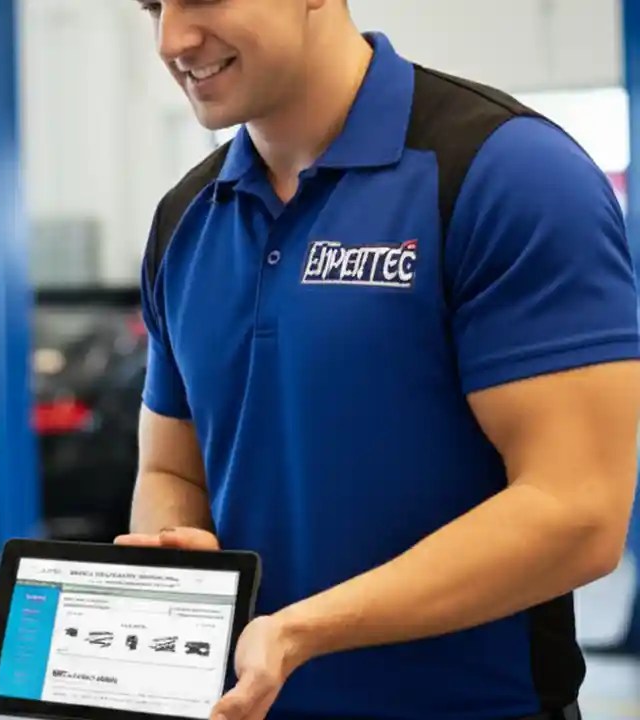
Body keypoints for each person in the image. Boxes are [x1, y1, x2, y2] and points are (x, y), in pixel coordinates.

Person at [116, 2, 640, 719]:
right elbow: (173, 469)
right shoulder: (187, 219)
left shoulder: (506, 173)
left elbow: (577, 512)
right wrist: (184, 566)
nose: (173, 39)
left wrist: (304, 632)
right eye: (153, 6)